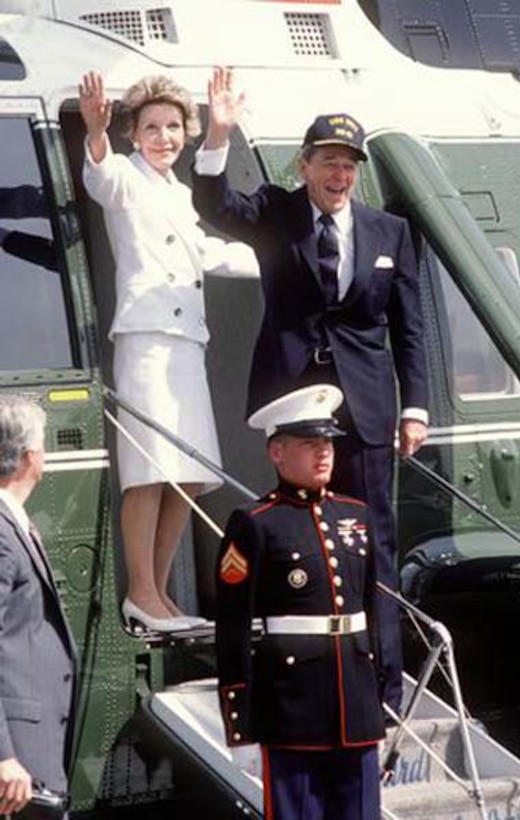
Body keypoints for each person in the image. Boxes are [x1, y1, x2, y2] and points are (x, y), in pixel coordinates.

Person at [192, 67, 429, 710]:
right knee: (298, 534)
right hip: (295, 399)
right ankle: (303, 673)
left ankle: (381, 679)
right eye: (328, 162)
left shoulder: (390, 233)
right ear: (306, 164)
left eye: (348, 165)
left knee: (373, 536)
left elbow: (410, 327)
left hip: (369, 407)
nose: (339, 175)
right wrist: (216, 134)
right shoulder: (276, 212)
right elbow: (213, 207)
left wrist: (415, 407)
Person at [79, 71, 258, 633]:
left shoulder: (180, 194)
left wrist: (281, 259)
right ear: (134, 134)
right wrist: (94, 132)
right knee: (149, 470)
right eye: (152, 127)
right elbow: (100, 178)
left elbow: (207, 251)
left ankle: (160, 598)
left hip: (187, 344)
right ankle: (142, 592)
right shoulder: (126, 179)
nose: (164, 137)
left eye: (174, 127)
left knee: (187, 473)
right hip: (148, 340)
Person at [216, 384, 386, 820]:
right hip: (292, 712)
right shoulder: (255, 524)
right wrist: (240, 729)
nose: (324, 453)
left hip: (356, 710)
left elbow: (374, 614)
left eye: (327, 443)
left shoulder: (357, 516)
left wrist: (382, 702)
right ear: (277, 452)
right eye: (311, 444)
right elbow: (233, 631)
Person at [0, 396, 77, 818]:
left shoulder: (13, 524)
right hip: (15, 763)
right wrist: (3, 757)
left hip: (32, 753)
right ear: (30, 456)